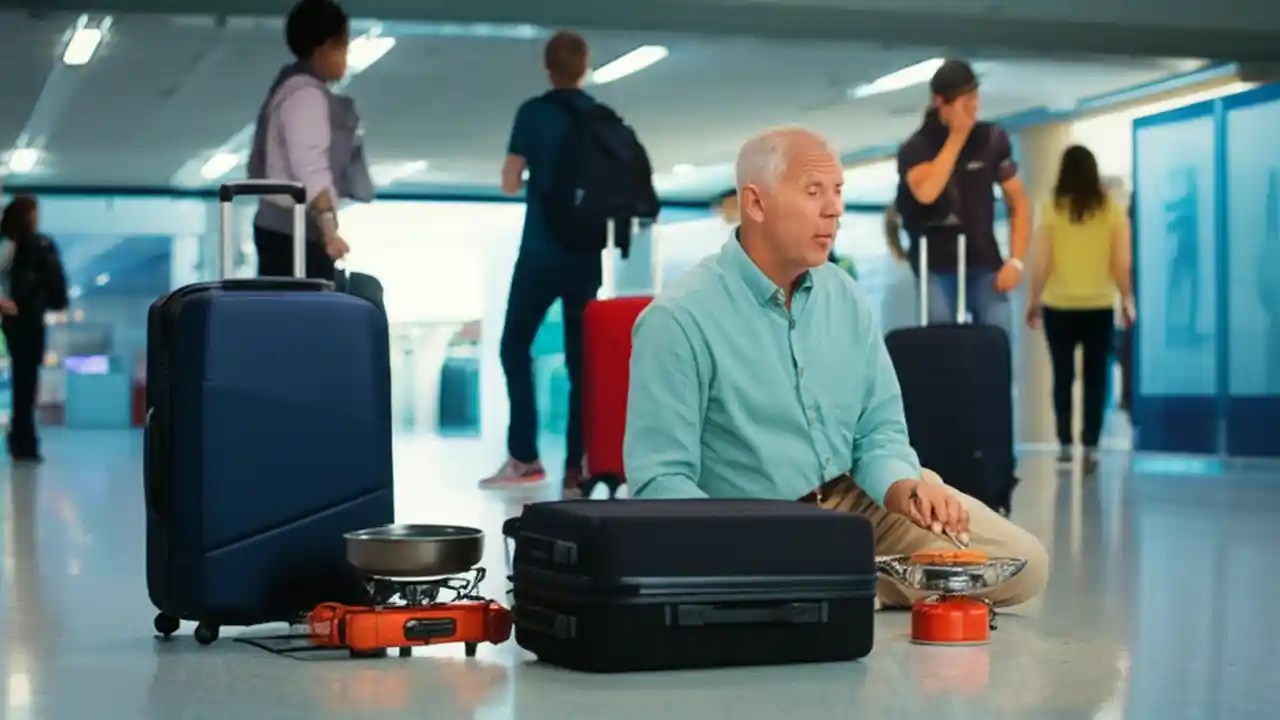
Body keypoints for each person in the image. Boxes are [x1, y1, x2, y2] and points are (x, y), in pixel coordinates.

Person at [623, 127, 1048, 608]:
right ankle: (829, 582)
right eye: (813, 192)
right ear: (756, 203)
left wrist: (905, 486)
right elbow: (661, 481)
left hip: (861, 502)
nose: (835, 209)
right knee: (768, 571)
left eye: (838, 191)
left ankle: (834, 585)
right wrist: (736, 541)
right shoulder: (678, 319)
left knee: (1023, 564)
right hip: (760, 527)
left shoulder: (844, 295)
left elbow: (880, 431)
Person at [480, 31, 604, 492]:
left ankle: (525, 458)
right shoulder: (600, 118)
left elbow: (510, 182)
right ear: (585, 66)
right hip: (585, 257)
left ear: (546, 68)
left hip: (539, 253)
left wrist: (540, 172)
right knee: (581, 363)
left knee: (514, 348)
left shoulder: (532, 113)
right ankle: (577, 466)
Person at [895, 59, 1030, 337]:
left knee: (997, 341)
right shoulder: (916, 148)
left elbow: (1017, 202)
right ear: (939, 102)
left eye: (975, 98)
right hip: (935, 264)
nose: (972, 108)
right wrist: (957, 136)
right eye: (964, 101)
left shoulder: (991, 139)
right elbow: (927, 192)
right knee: (940, 344)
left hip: (984, 260)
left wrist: (1016, 261)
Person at [1026, 145, 1135, 472]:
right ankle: (1090, 445)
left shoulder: (1052, 208)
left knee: (1062, 377)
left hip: (1059, 306)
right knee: (1095, 378)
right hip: (1098, 306)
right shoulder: (1111, 210)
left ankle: (1063, 444)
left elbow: (1042, 260)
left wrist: (1034, 299)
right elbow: (1121, 262)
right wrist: (1127, 299)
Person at [247, 0, 373, 280]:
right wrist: (330, 233)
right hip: (292, 237)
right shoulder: (306, 97)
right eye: (344, 47)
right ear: (325, 48)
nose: (345, 57)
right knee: (303, 306)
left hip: (286, 232)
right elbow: (310, 166)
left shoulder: (289, 90)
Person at [0, 196, 69, 463]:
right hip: (28, 318)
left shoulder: (12, 244)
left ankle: (21, 440)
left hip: (15, 319)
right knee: (27, 381)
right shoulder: (37, 245)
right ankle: (24, 442)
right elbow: (54, 286)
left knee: (23, 380)